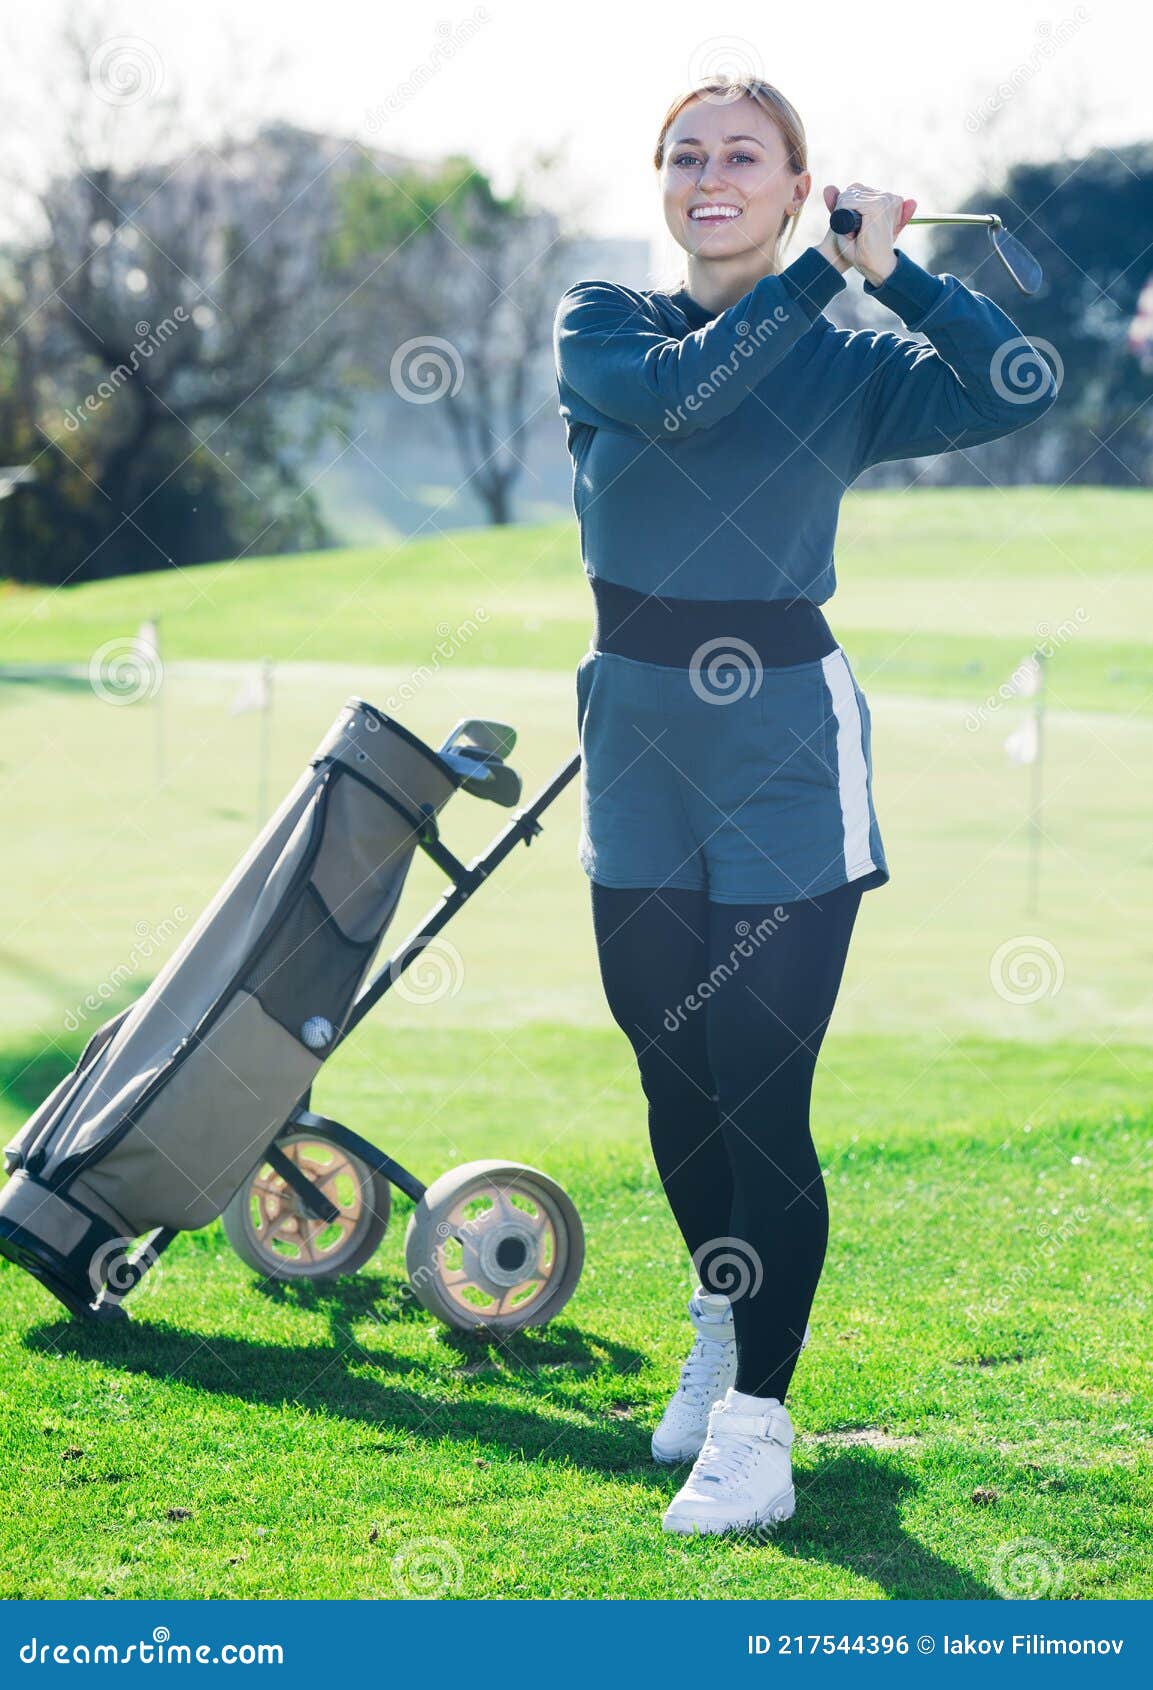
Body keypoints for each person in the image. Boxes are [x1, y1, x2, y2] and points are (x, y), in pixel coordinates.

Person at [552, 76, 1057, 1537]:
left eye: (745, 157)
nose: (710, 176)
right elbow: (684, 394)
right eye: (687, 155)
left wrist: (900, 276)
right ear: (662, 182)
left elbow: (1017, 386)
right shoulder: (606, 324)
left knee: (760, 1089)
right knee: (672, 1071)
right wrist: (813, 276)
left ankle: (758, 1428)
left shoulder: (846, 360)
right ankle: (721, 1329)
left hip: (782, 744)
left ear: (795, 187)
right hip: (635, 740)